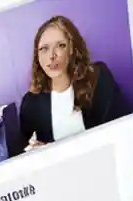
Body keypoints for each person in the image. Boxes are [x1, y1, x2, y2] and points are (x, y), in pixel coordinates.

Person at [19, 16, 123, 151]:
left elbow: (118, 131)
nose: (51, 56)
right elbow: (25, 151)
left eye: (60, 46)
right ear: (37, 56)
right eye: (44, 49)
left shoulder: (98, 77)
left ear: (72, 49)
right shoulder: (30, 103)